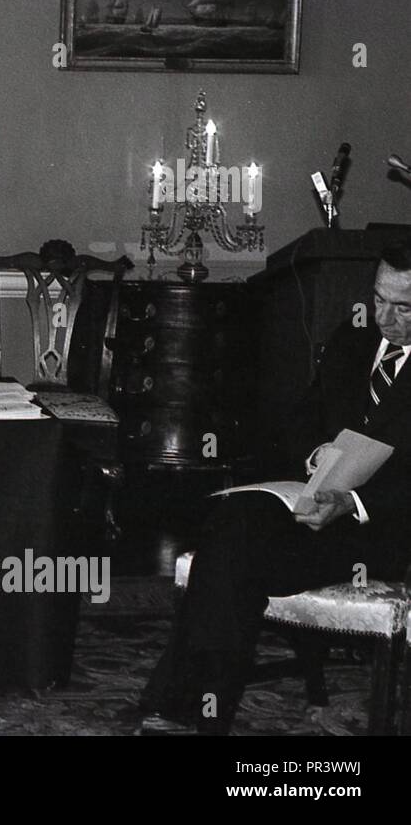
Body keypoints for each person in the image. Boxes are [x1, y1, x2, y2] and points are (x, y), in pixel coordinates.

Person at [141, 241, 411, 734]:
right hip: (316, 508)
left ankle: (188, 712)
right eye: (378, 300)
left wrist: (352, 501)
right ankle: (197, 714)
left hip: (383, 533)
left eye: (403, 307)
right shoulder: (353, 341)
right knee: (234, 524)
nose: (384, 318)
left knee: (231, 555)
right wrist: (315, 454)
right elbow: (303, 419)